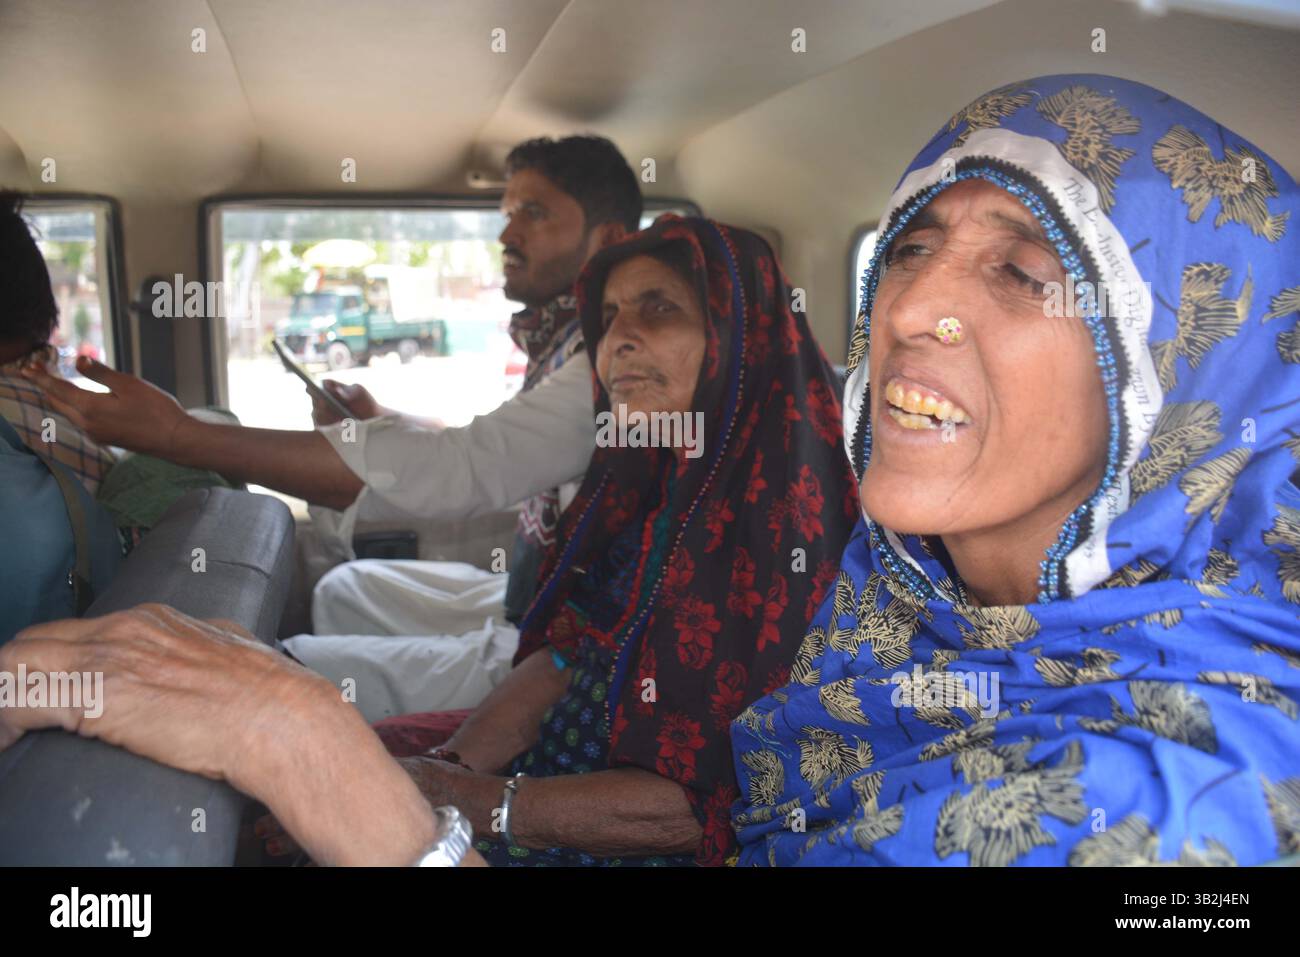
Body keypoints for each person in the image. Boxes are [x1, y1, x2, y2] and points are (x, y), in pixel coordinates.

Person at [2, 215, 857, 867]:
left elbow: (700, 805)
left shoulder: (789, 535)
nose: (620, 338)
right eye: (610, 317)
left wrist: (480, 805)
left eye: (659, 309)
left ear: (737, 339)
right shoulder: (654, 479)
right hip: (546, 767)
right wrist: (446, 764)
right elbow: (564, 658)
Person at [729, 74, 1300, 866]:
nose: (906, 309)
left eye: (1025, 273)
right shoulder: (891, 601)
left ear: (1180, 380)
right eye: (911, 249)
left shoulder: (1166, 793)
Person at [24, 136, 642, 717]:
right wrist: (380, 422)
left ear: (608, 237)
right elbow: (503, 441)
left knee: (296, 665)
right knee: (344, 587)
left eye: (535, 212)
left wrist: (178, 435)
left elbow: (470, 466)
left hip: (559, 646)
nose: (508, 232)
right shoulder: (566, 342)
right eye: (509, 212)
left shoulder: (614, 364)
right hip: (533, 593)